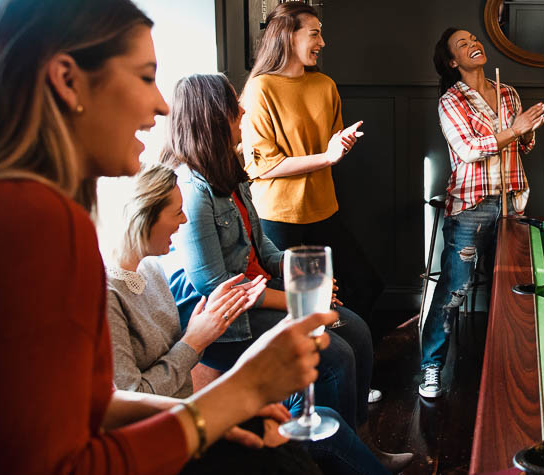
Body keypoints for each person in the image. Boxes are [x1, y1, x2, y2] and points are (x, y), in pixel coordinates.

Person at [0, 0, 334, 473]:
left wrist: (198, 409)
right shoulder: (32, 224)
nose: (162, 106)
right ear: (67, 80)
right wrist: (239, 391)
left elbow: (86, 406)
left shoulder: (29, 208)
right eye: (145, 77)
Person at [162, 73, 411, 470]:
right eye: (233, 105)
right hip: (224, 321)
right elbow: (214, 285)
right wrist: (299, 300)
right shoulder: (192, 192)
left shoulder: (230, 175)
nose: (242, 111)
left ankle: (359, 443)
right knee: (334, 354)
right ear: (211, 116)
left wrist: (308, 279)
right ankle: (324, 459)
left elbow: (265, 250)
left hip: (260, 297)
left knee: (358, 330)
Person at [105, 163, 388, 474]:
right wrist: (195, 342)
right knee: (325, 426)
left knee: (318, 414)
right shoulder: (107, 297)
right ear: (143, 217)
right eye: (176, 213)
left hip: (196, 413)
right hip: (170, 441)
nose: (184, 220)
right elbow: (132, 401)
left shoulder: (150, 269)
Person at [419, 27, 544, 398]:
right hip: (471, 206)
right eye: (462, 44)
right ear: (452, 61)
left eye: (474, 40)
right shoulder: (451, 100)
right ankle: (431, 367)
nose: (473, 45)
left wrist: (530, 129)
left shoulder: (508, 92)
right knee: (454, 292)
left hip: (513, 202)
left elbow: (520, 146)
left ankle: (504, 368)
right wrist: (516, 129)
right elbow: (470, 150)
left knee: (509, 293)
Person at [239, 1, 384, 327]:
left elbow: (330, 149)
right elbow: (262, 167)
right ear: (288, 36)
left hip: (323, 209)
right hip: (277, 218)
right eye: (315, 34)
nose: (322, 43)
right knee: (300, 308)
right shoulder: (260, 88)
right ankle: (318, 372)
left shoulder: (325, 86)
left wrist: (340, 147)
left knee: (364, 285)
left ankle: (347, 367)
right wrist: (328, 157)